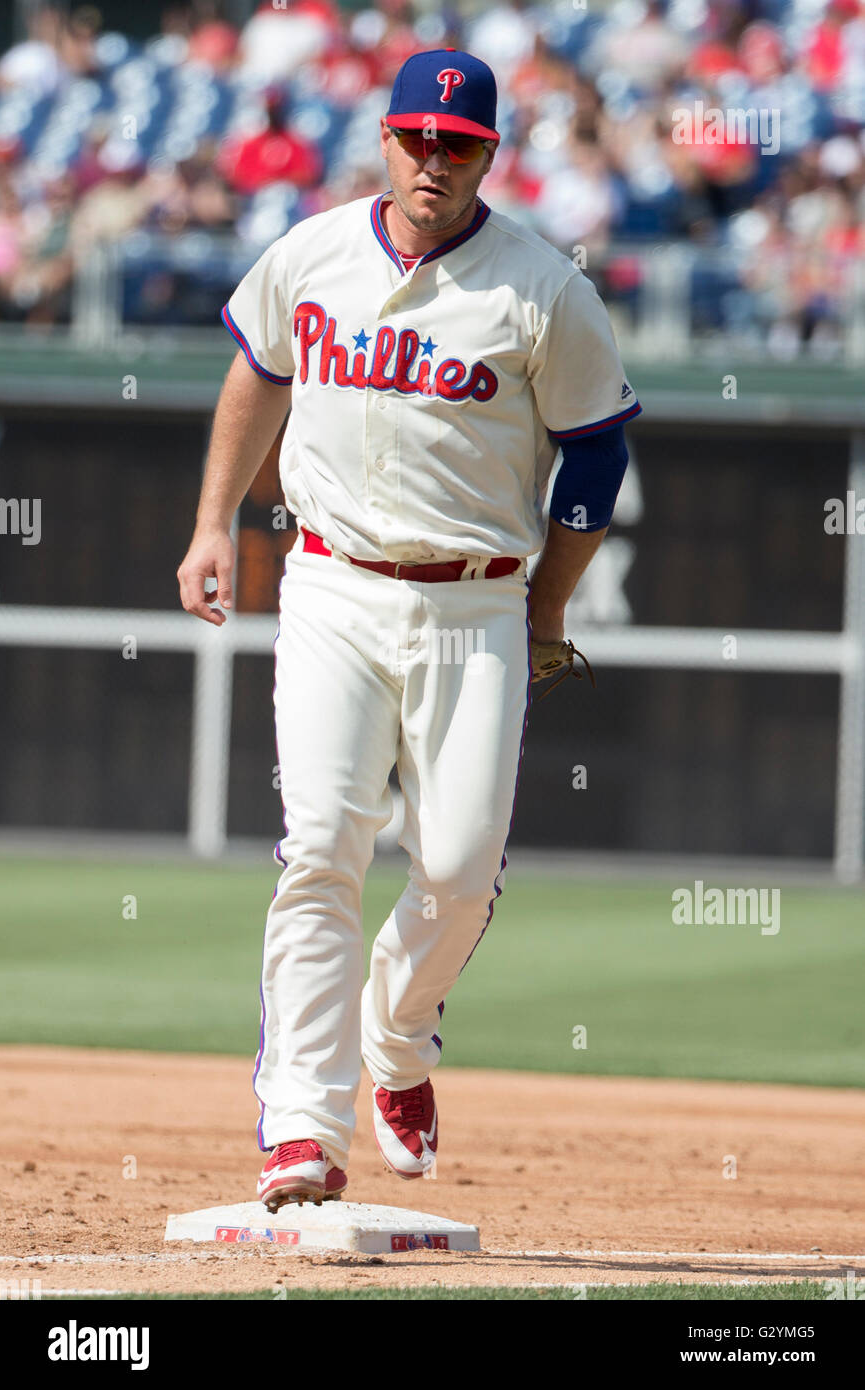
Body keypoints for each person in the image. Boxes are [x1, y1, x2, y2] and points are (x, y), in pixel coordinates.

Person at [177, 48, 641, 1209]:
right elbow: (257, 370)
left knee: (459, 867)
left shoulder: (542, 287)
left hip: (476, 598)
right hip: (330, 584)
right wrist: (213, 524)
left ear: (491, 154)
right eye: (415, 137)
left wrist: (548, 608)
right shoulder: (313, 251)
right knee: (323, 844)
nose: (433, 158)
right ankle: (300, 1124)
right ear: (385, 140)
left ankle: (400, 1033)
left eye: (458, 143)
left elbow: (598, 450)